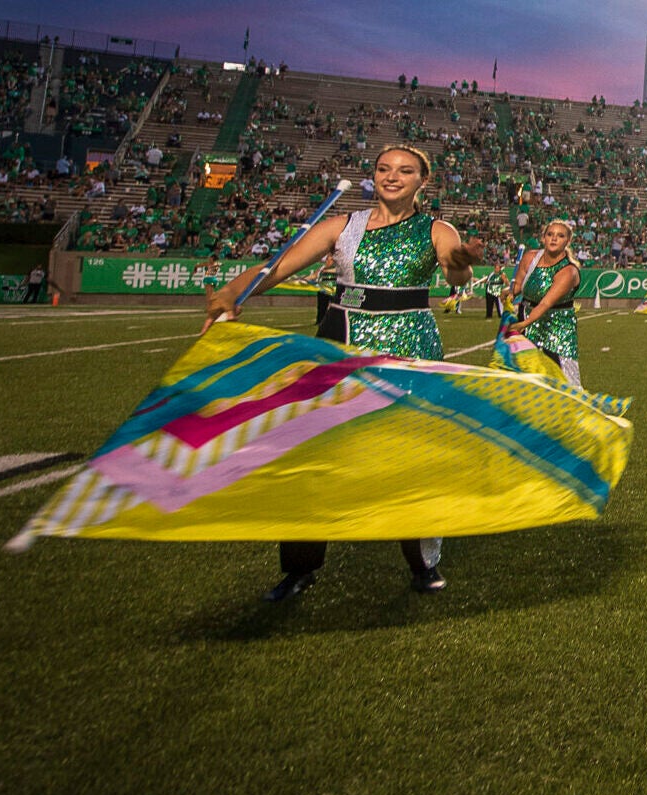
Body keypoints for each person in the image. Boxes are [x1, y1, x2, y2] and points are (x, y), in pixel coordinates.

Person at [202, 145, 482, 601]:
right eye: (383, 169)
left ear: (422, 182)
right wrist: (233, 291)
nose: (392, 177)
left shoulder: (436, 228)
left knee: (407, 459)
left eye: (405, 171)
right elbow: (279, 266)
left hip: (407, 347)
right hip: (338, 341)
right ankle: (299, 567)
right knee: (312, 453)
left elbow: (454, 270)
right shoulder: (342, 225)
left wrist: (460, 264)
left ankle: (423, 561)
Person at [502, 220, 586, 385]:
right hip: (527, 316)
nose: (554, 239)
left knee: (565, 379)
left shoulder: (568, 271)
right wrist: (509, 293)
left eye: (560, 236)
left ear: (568, 241)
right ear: (543, 238)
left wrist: (523, 324)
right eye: (550, 234)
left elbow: (545, 303)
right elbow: (519, 285)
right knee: (523, 374)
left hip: (557, 325)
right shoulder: (530, 258)